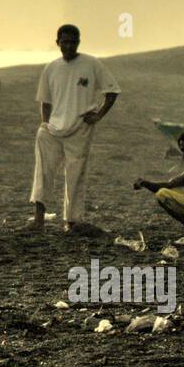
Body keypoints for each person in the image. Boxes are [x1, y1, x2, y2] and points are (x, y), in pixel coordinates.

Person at [27, 24, 120, 233]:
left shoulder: (91, 64)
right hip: (52, 128)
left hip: (80, 126)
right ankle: (38, 219)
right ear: (57, 43)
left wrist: (98, 116)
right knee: (43, 170)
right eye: (64, 42)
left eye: (72, 41)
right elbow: (45, 100)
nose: (68, 46)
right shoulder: (51, 67)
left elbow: (112, 91)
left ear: (78, 42)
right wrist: (46, 122)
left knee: (75, 173)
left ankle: (73, 220)